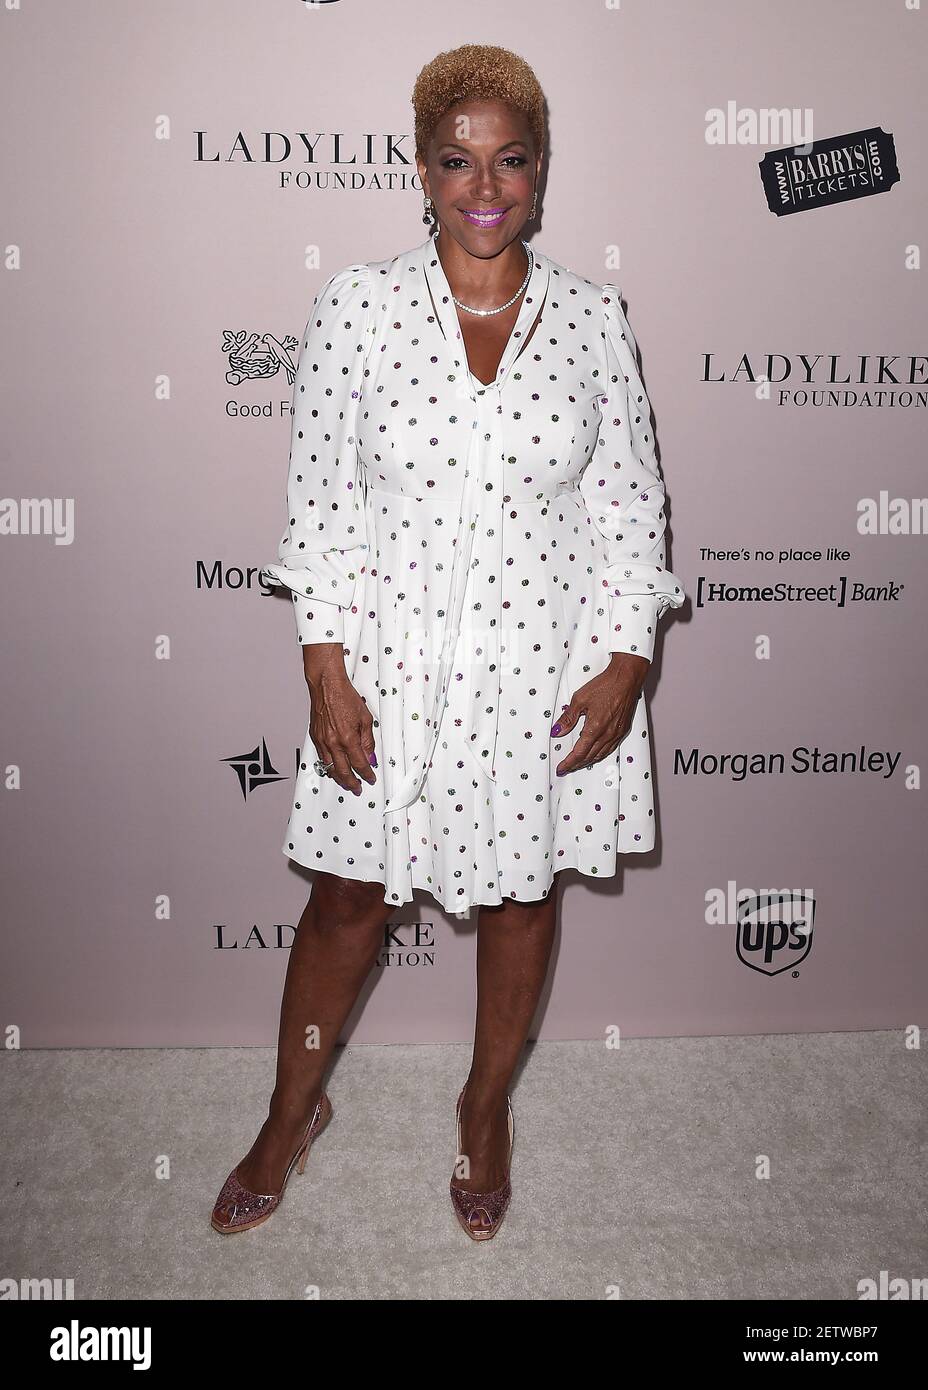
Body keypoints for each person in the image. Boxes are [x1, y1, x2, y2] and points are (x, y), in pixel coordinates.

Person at [211, 43, 685, 1242]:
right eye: (456, 160)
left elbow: (630, 505)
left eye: (509, 159)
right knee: (344, 907)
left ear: (539, 170)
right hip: (385, 668)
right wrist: (324, 663)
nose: (485, 185)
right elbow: (318, 506)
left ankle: (484, 1108)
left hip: (540, 669)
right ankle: (289, 1111)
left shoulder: (590, 318)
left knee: (523, 899)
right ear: (419, 170)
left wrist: (627, 654)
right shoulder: (359, 307)